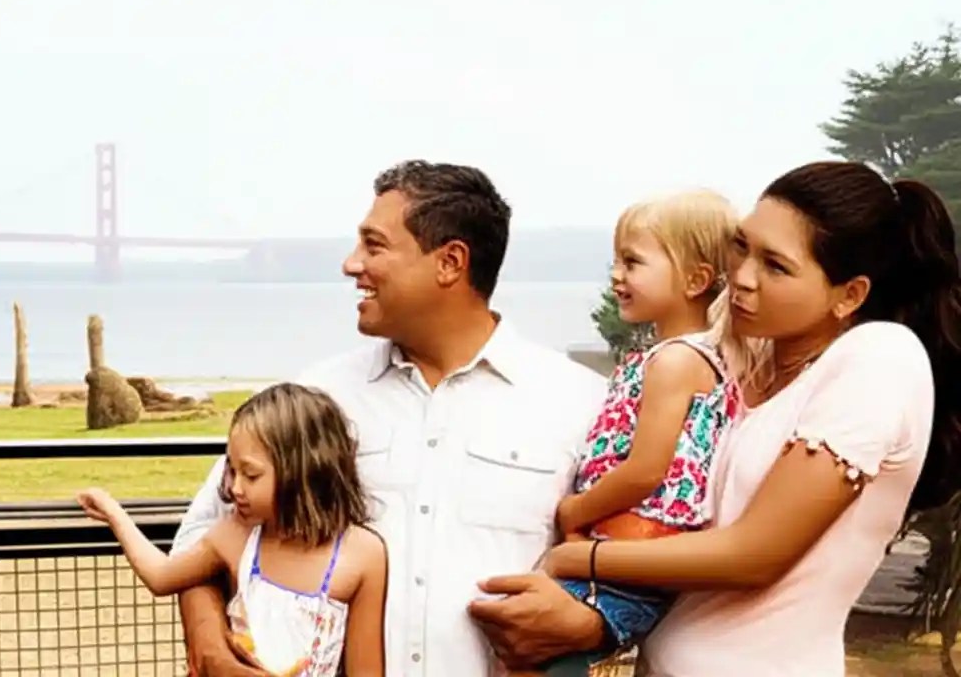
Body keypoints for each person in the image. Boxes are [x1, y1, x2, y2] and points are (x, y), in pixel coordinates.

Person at [468, 160, 961, 676]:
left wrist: (577, 558)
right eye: (742, 246)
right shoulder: (745, 363)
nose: (742, 277)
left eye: (776, 266)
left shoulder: (877, 358)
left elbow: (755, 554)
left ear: (850, 295)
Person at [171, 160, 608, 676]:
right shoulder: (315, 399)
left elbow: (638, 569)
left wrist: (593, 624)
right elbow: (199, 533)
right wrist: (210, 647)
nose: (351, 264)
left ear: (450, 263)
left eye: (374, 245)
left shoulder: (581, 402)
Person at [524, 191, 743, 675]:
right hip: (633, 557)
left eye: (633, 261)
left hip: (628, 559)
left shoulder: (675, 361)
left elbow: (646, 470)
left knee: (522, 644)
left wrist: (572, 512)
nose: (617, 276)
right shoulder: (698, 356)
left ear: (696, 279)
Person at [78, 382, 388, 677]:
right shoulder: (236, 536)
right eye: (232, 470)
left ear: (302, 471)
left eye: (251, 475)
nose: (235, 488)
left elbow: (366, 671)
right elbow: (160, 576)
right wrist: (115, 515)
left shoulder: (362, 554)